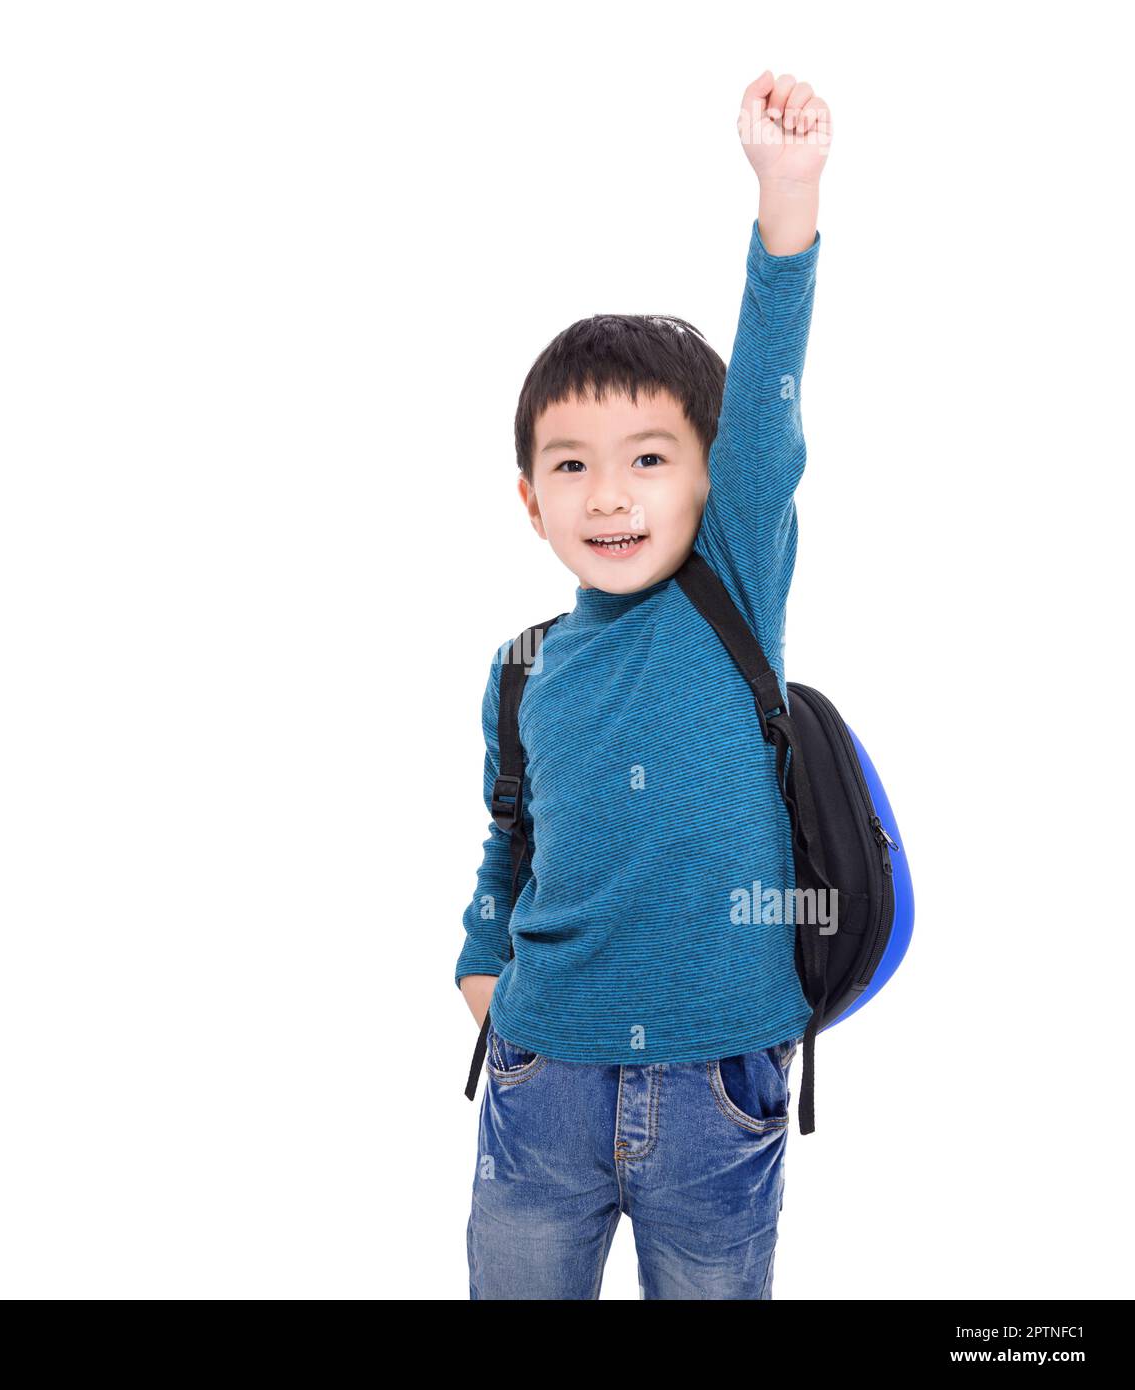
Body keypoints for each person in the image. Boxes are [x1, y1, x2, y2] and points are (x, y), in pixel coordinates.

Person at [455, 70, 832, 1300]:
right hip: (536, 1085)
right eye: (570, 466)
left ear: (709, 481)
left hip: (713, 1090)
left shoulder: (729, 578)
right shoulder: (518, 671)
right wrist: (479, 965)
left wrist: (785, 193)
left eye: (648, 459)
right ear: (531, 501)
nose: (607, 494)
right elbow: (508, 843)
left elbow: (767, 396)